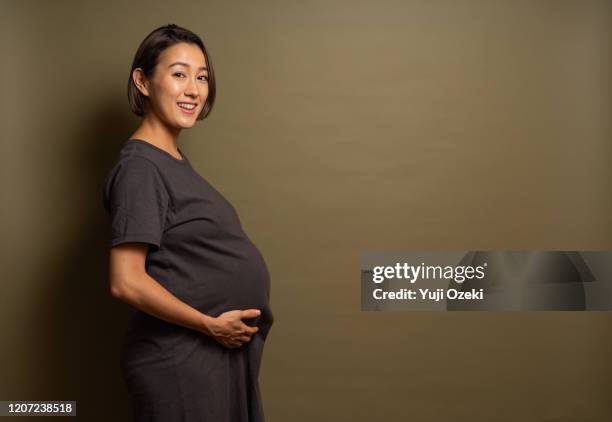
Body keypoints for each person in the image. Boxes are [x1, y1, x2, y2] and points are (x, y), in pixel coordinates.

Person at [102, 24, 274, 422]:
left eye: (202, 77)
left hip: (213, 355)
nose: (194, 89)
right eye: (179, 74)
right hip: (181, 359)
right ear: (143, 81)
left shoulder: (172, 162)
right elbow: (125, 280)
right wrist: (208, 324)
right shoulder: (140, 167)